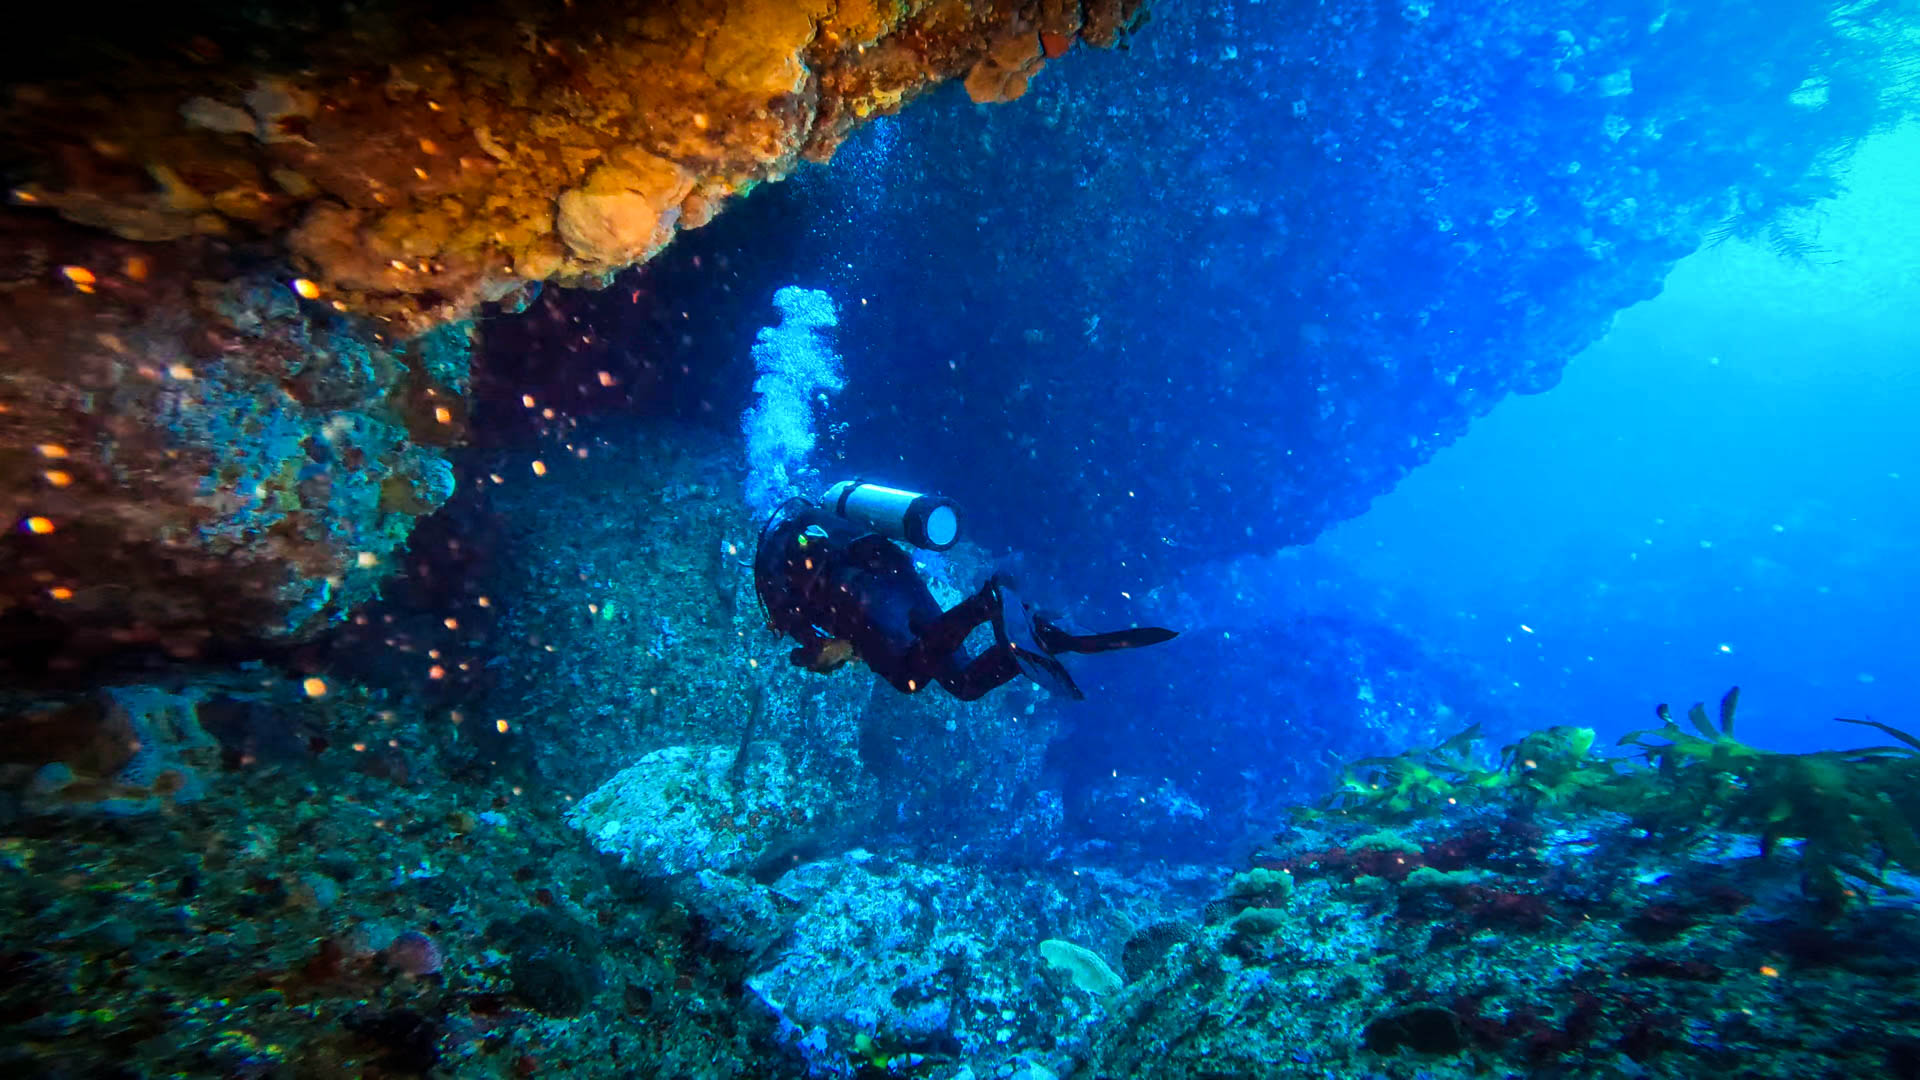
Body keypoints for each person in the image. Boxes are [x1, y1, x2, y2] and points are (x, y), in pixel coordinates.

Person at [752, 489, 1176, 701]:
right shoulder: (821, 521)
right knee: (962, 682)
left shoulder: (771, 572)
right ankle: (1045, 636)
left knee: (907, 677)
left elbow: (817, 647)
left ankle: (986, 602)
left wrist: (826, 652)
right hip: (893, 572)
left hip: (861, 592)